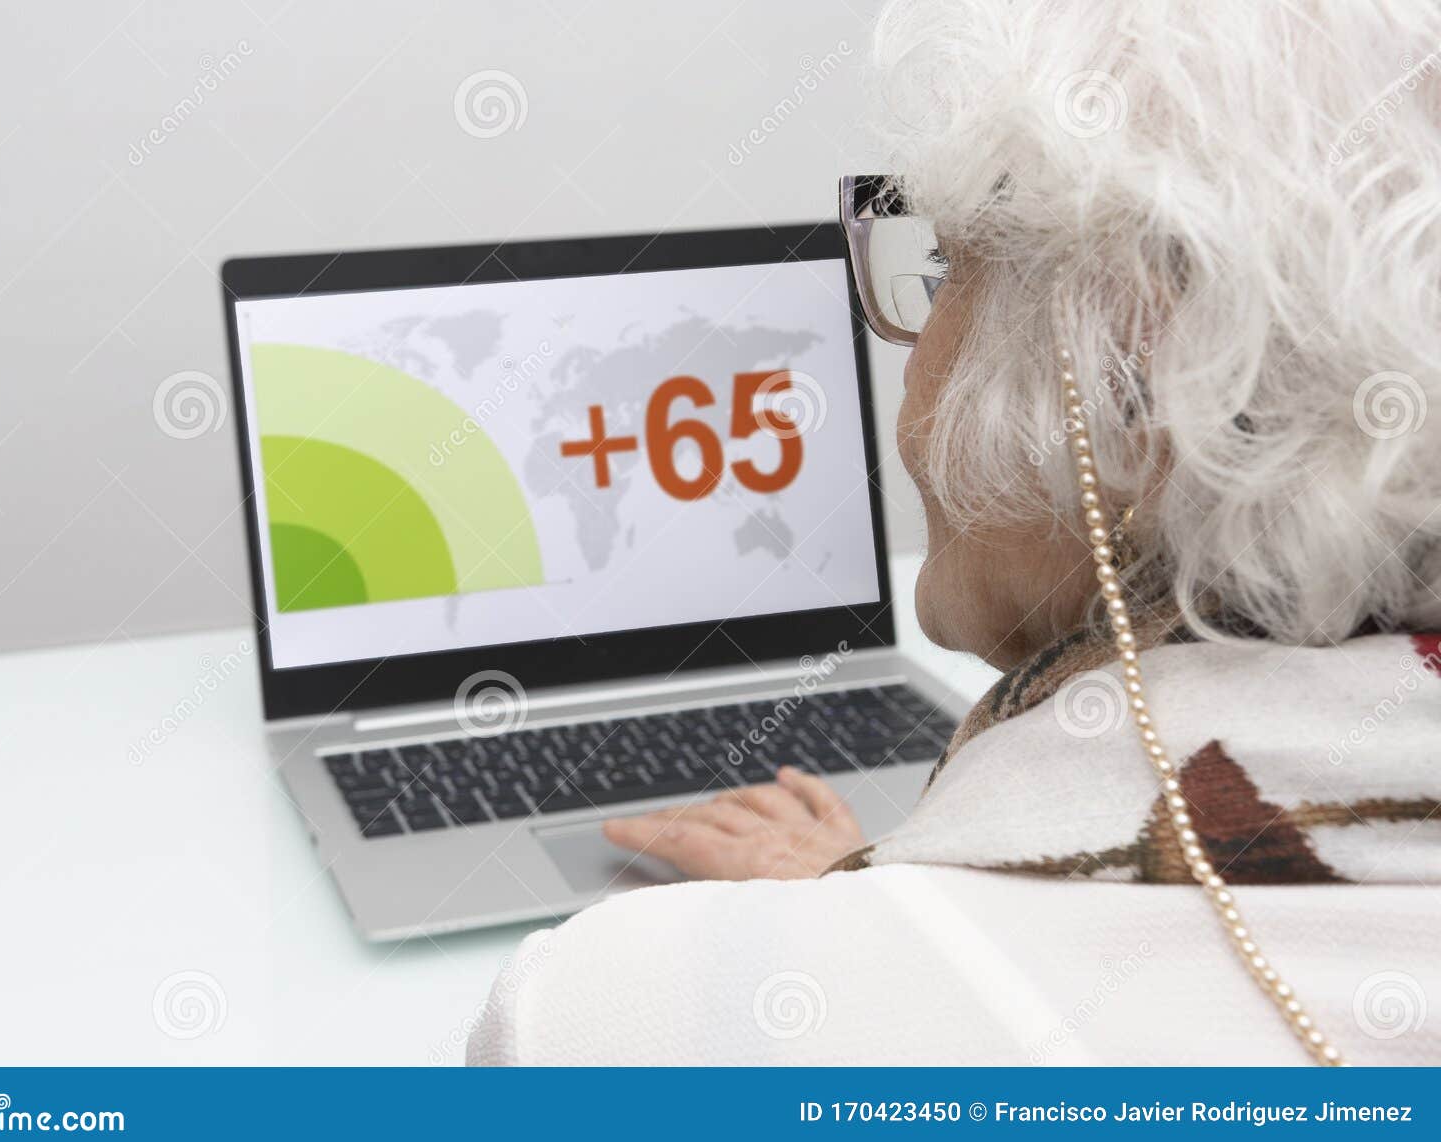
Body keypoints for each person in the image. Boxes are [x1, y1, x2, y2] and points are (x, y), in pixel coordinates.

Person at [468, 0, 1441, 1065]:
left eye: (943, 267)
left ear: (1126, 371)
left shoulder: (608, 1023)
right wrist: (875, 894)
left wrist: (857, 936)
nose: (912, 343)